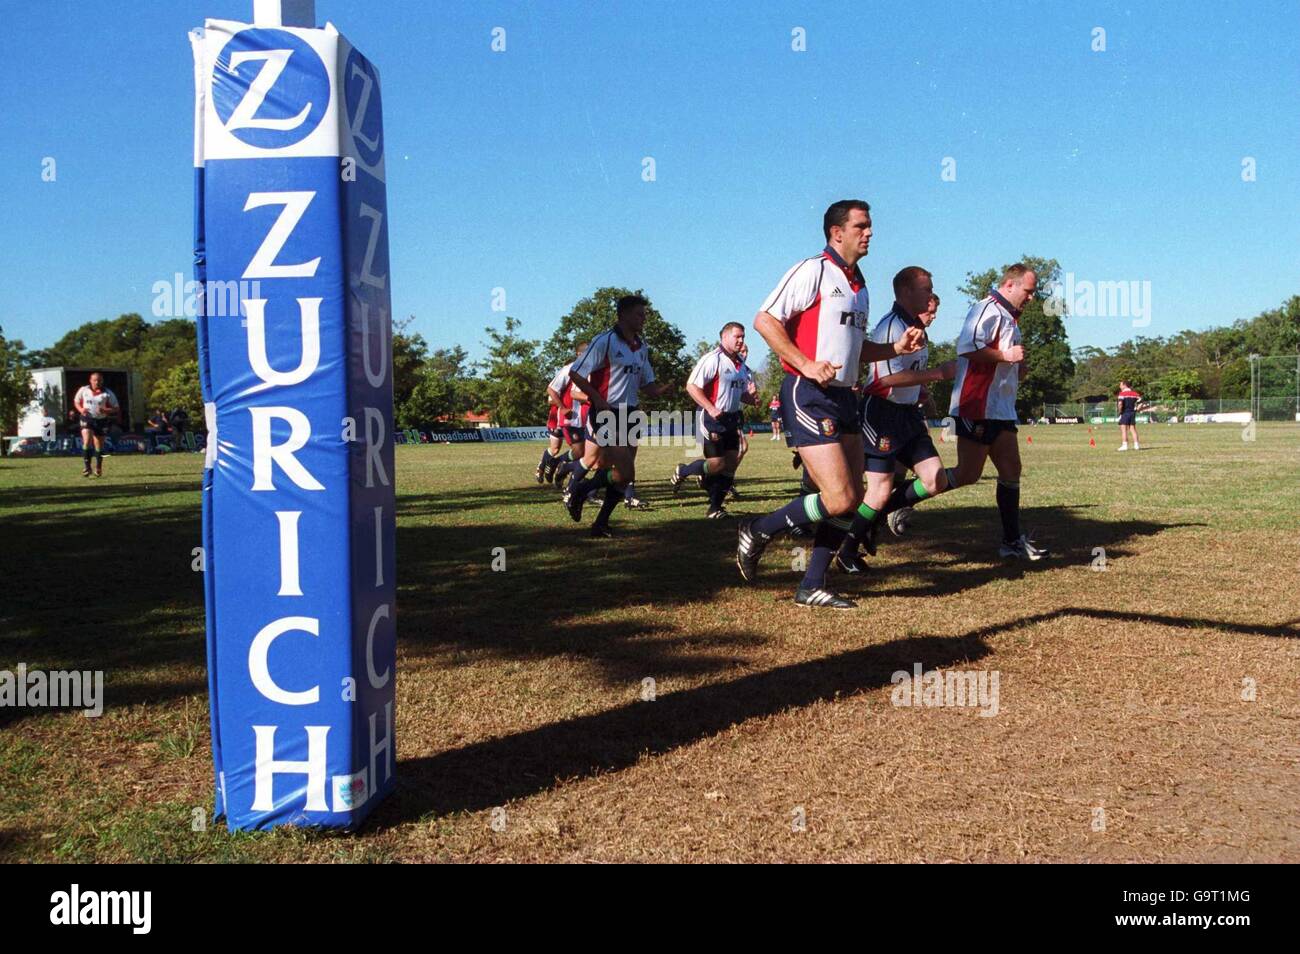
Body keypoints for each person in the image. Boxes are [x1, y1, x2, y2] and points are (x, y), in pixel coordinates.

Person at [735, 199, 924, 608]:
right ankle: (760, 528)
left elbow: (855, 352)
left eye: (870, 225)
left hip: (845, 396)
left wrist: (894, 346)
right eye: (861, 226)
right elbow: (764, 319)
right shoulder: (813, 270)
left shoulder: (860, 285)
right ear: (837, 232)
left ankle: (812, 585)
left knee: (853, 496)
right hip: (809, 394)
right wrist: (805, 363)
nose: (869, 232)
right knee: (838, 497)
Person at [835, 269, 956, 572]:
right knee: (878, 490)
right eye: (926, 290)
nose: (931, 296)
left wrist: (921, 391)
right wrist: (937, 374)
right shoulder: (892, 327)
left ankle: (870, 520)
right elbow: (886, 378)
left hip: (908, 415)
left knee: (935, 479)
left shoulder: (916, 328)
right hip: (882, 413)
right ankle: (847, 551)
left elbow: (909, 374)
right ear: (905, 292)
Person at [947, 264, 1049, 559]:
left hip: (1000, 408)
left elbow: (1004, 365)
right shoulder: (987, 309)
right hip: (976, 405)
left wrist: (1019, 368)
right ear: (1009, 285)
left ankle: (1011, 541)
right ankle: (893, 504)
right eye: (1028, 292)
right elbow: (967, 347)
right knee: (967, 474)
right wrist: (1007, 355)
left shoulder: (1011, 320)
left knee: (1011, 470)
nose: (1031, 298)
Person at [564, 295, 672, 536]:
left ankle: (600, 523)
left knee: (621, 476)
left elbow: (647, 384)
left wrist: (661, 390)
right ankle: (580, 491)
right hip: (607, 412)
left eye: (644, 314)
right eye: (639, 314)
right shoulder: (604, 341)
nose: (644, 319)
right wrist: (597, 399)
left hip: (631, 414)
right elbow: (576, 373)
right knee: (626, 471)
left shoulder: (641, 346)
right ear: (623, 315)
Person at [670, 322, 758, 518]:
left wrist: (752, 398)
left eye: (743, 337)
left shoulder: (742, 366)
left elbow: (742, 394)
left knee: (730, 463)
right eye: (737, 336)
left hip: (732, 419)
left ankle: (715, 507)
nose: (741, 340)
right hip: (711, 418)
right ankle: (684, 470)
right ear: (724, 337)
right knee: (716, 464)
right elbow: (692, 386)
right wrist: (711, 408)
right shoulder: (712, 359)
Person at [538, 343, 587, 483]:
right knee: (577, 451)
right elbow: (551, 392)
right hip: (569, 418)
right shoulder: (568, 369)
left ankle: (560, 467)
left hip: (585, 417)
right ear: (579, 354)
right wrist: (563, 408)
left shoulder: (591, 369)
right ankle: (556, 468)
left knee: (586, 453)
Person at [73, 372, 120, 477]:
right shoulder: (83, 390)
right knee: (87, 440)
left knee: (99, 445)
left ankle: (98, 467)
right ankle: (87, 467)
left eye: (99, 380)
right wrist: (81, 409)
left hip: (101, 420)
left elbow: (116, 408)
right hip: (87, 418)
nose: (97, 382)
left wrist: (106, 410)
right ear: (90, 380)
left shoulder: (107, 393)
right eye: (95, 380)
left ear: (102, 381)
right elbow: (76, 401)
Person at [1116, 380, 1142, 451]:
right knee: (1133, 429)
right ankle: (1136, 445)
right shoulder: (1135, 394)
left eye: (1121, 385)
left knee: (1124, 429)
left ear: (1125, 385)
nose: (1120, 386)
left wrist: (1120, 411)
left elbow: (1120, 404)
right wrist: (1137, 409)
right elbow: (1141, 402)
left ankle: (1125, 445)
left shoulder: (1122, 394)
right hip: (1132, 413)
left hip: (1125, 413)